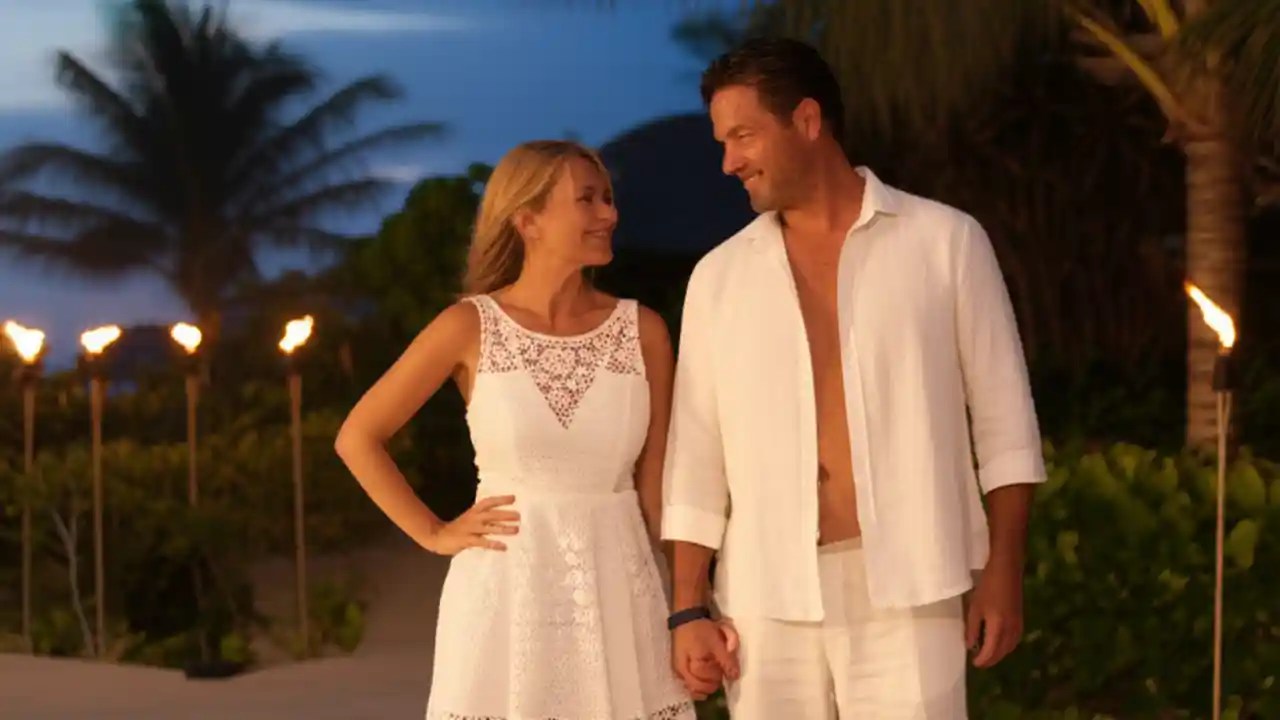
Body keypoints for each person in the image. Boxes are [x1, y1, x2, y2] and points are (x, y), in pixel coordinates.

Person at [661, 38, 1047, 719]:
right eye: (723, 143)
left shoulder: (945, 241)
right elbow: (695, 456)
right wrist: (688, 608)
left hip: (912, 584)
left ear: (808, 120)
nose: (729, 162)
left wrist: (1003, 571)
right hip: (765, 595)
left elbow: (1007, 425)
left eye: (744, 135)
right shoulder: (719, 278)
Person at [335, 140, 695, 720]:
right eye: (587, 199)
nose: (609, 213)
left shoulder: (643, 330)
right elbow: (358, 437)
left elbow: (656, 488)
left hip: (618, 596)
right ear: (528, 220)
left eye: (608, 198)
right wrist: (433, 533)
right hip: (504, 602)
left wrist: (690, 608)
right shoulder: (468, 326)